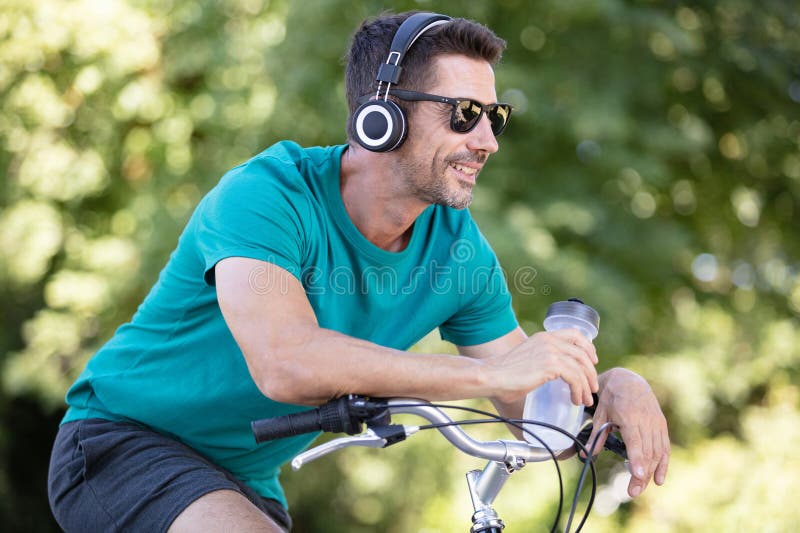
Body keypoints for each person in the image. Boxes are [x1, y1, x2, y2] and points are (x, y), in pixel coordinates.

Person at [48, 10, 669, 533]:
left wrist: (610, 387)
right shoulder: (267, 195)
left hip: (245, 479)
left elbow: (530, 411)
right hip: (122, 442)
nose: (488, 141)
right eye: (464, 114)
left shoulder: (458, 250)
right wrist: (479, 374)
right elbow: (285, 361)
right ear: (383, 114)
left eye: (494, 117)